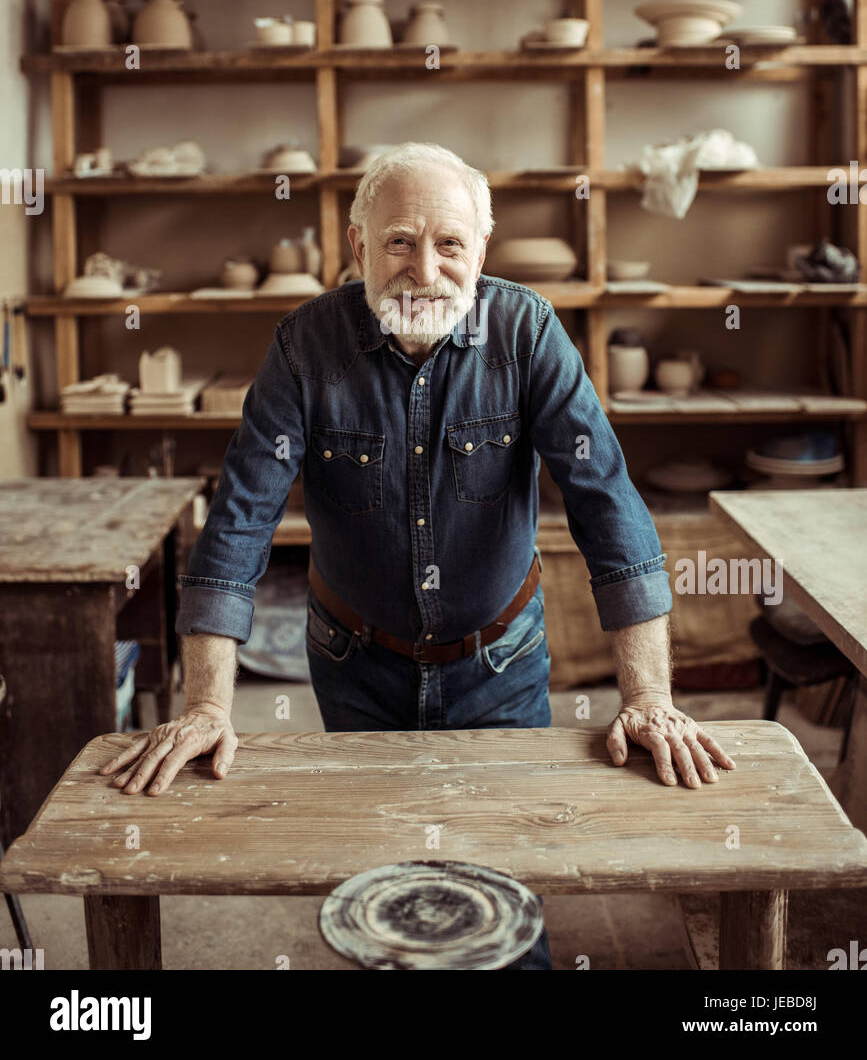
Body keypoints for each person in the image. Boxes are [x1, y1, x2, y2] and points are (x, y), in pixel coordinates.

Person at [100, 142, 735, 970]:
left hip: (499, 666)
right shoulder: (304, 346)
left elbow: (607, 505)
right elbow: (237, 526)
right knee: (382, 900)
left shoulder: (527, 332)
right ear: (360, 247)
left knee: (506, 906)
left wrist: (647, 697)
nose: (423, 269)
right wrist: (208, 707)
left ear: (481, 253)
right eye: (399, 241)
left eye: (449, 245)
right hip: (356, 666)